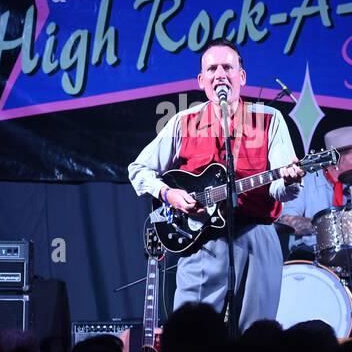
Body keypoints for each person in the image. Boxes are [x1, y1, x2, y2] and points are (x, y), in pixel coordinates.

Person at [128, 39, 305, 333]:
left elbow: (278, 189)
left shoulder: (269, 120)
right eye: (212, 68)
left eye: (227, 67)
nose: (220, 74)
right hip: (200, 241)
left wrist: (290, 182)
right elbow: (139, 169)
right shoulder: (183, 122)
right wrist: (168, 193)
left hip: (255, 235)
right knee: (192, 336)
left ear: (242, 77)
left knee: (256, 335)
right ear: (201, 80)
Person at [279, 125, 352, 260]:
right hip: (311, 257)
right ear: (336, 160)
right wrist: (329, 227)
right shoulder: (306, 182)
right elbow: (287, 220)